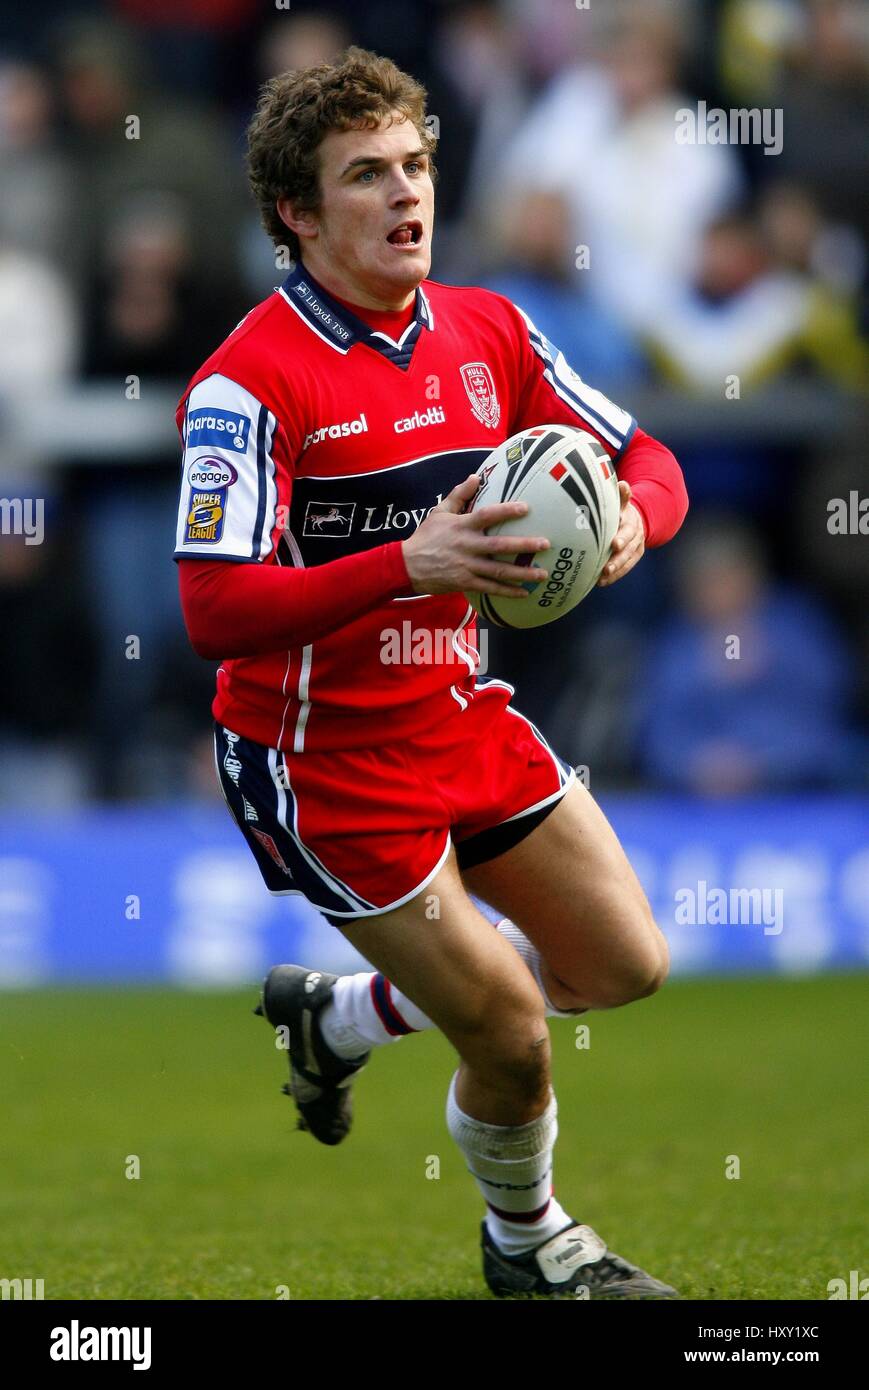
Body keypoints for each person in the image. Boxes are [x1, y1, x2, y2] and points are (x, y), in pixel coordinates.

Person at [175, 47, 688, 1299]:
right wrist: (406, 560)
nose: (406, 195)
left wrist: (631, 521)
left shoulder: (488, 327)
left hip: (455, 711)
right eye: (365, 176)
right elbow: (213, 609)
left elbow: (650, 459)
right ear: (296, 216)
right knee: (511, 1030)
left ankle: (340, 1017)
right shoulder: (246, 380)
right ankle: (531, 1246)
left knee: (621, 968)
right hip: (321, 763)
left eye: (413, 166)